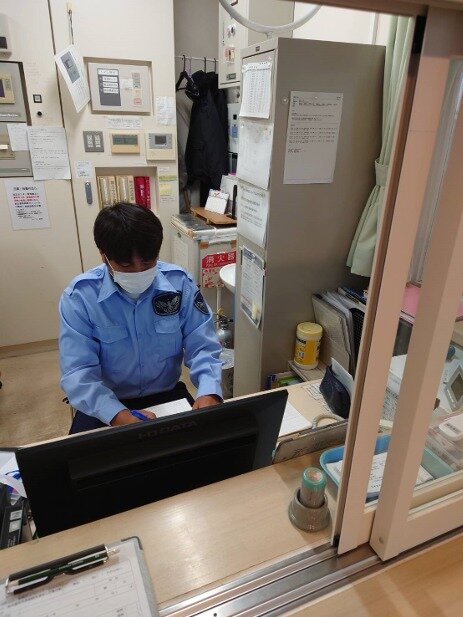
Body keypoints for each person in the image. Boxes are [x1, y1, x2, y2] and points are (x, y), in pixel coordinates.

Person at [59, 203, 223, 433]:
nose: (138, 271)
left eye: (147, 262)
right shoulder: (80, 298)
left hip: (167, 396)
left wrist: (209, 392)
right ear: (104, 256)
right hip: (106, 403)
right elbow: (78, 372)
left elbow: (203, 347)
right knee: (81, 455)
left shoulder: (179, 284)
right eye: (126, 264)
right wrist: (118, 416)